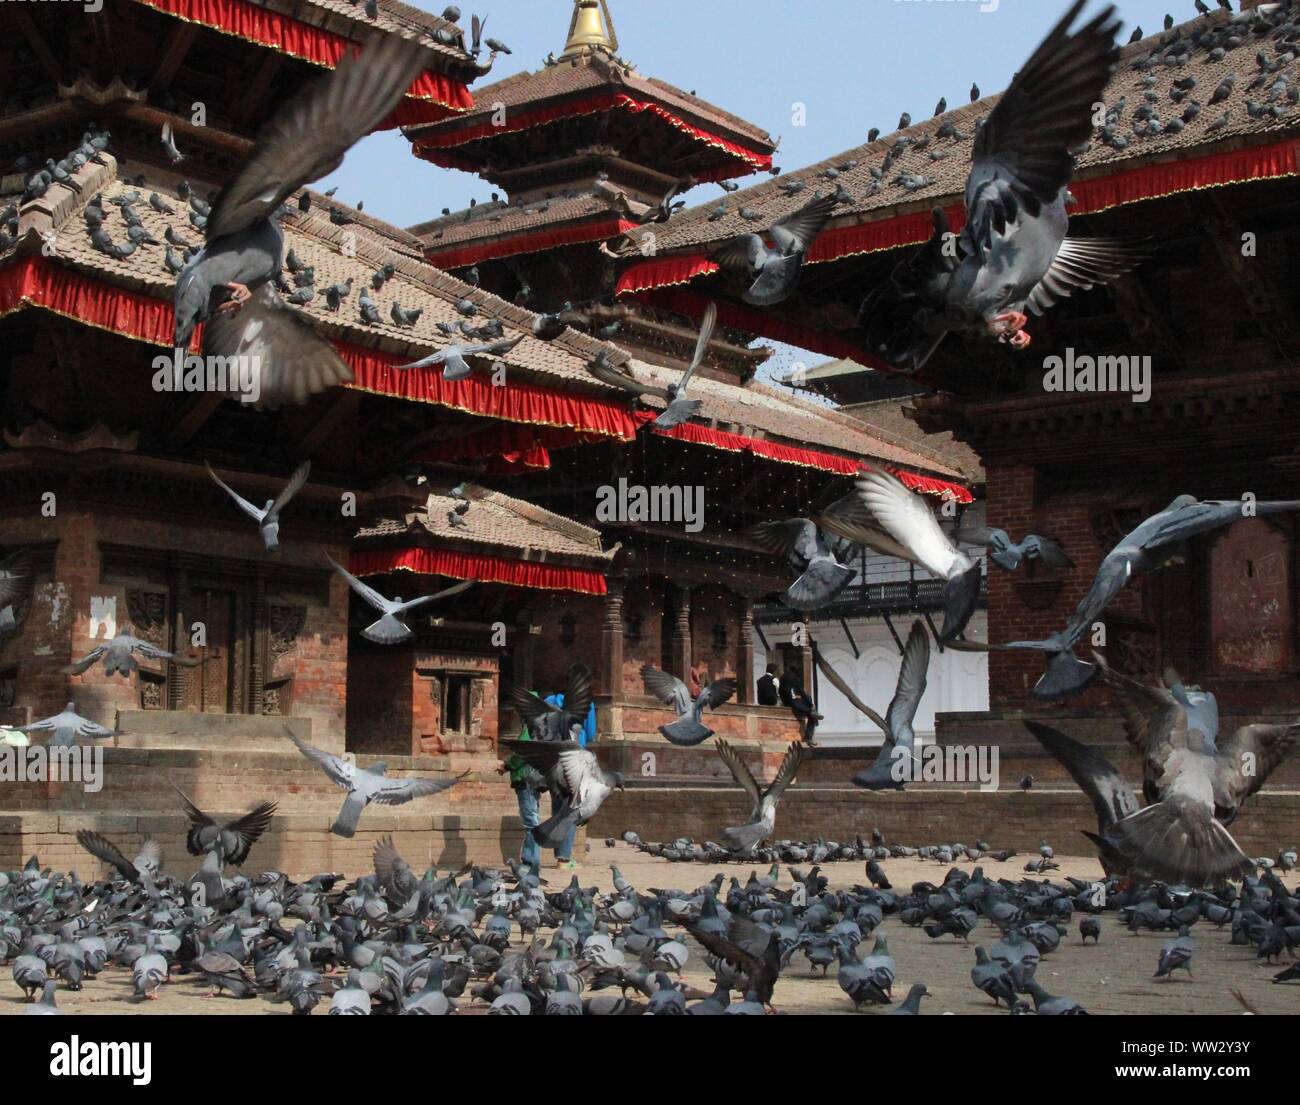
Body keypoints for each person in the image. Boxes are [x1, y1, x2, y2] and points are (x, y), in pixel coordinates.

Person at [501, 688, 597, 873]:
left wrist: (508, 765)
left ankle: (546, 856)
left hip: (552, 766)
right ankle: (563, 858)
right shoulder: (587, 704)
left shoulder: (549, 702)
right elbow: (591, 733)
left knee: (556, 810)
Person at [779, 666, 822, 744]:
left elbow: (781, 691)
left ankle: (813, 712)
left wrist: (791, 697)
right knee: (812, 714)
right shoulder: (794, 678)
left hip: (786, 701)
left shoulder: (783, 677)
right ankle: (808, 737)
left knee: (808, 700)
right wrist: (811, 704)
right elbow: (802, 692)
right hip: (792, 702)